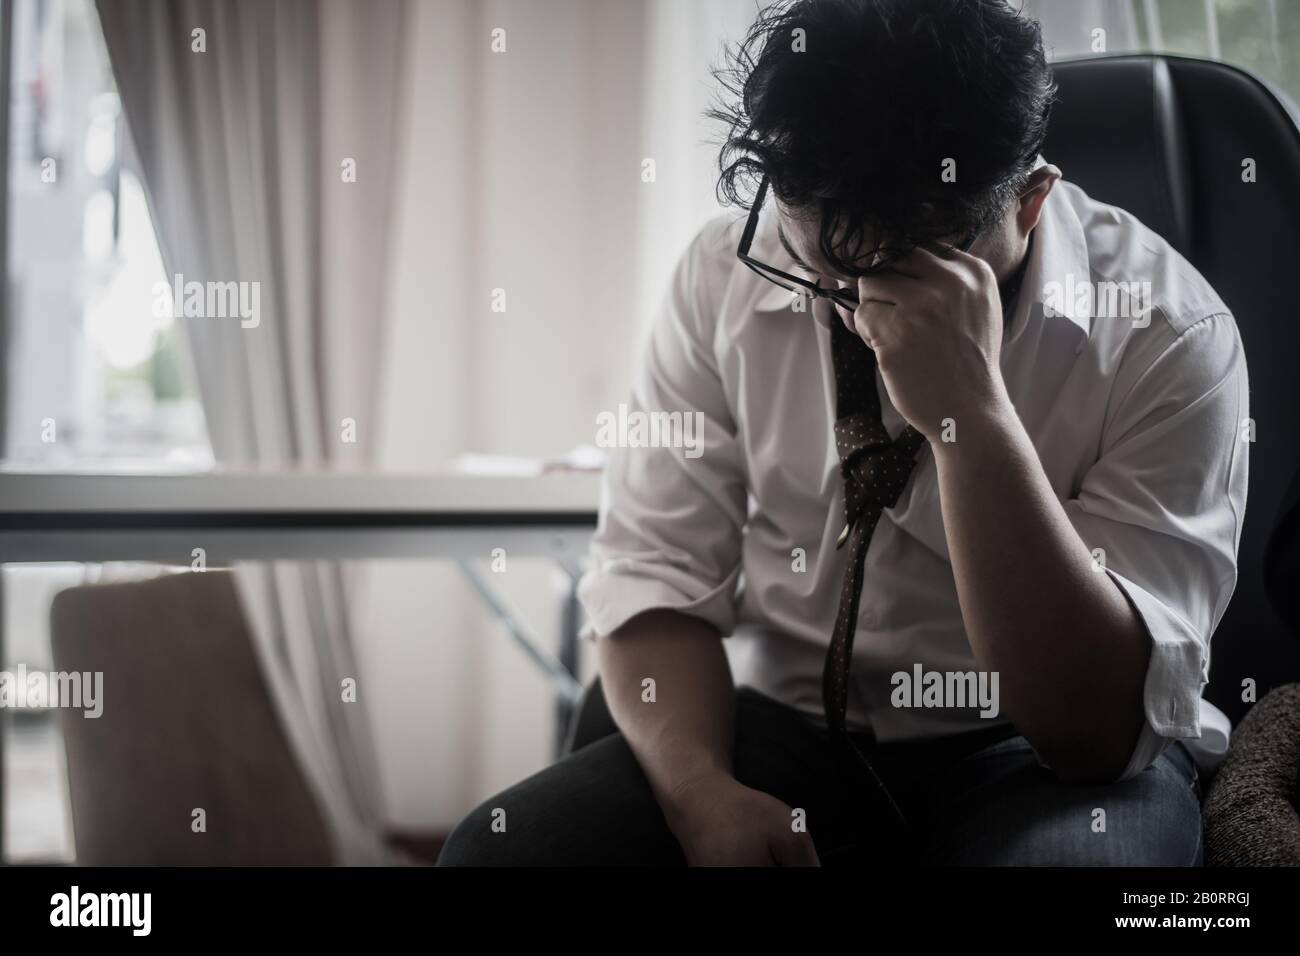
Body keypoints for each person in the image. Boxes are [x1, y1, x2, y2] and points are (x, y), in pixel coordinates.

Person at [438, 0, 1247, 866]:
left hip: (1027, 751)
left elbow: (1089, 731)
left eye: (896, 270)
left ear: (1030, 201)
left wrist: (970, 414)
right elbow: (654, 578)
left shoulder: (1168, 336)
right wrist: (700, 796)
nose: (855, 310)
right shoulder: (722, 277)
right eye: (819, 269)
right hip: (781, 729)